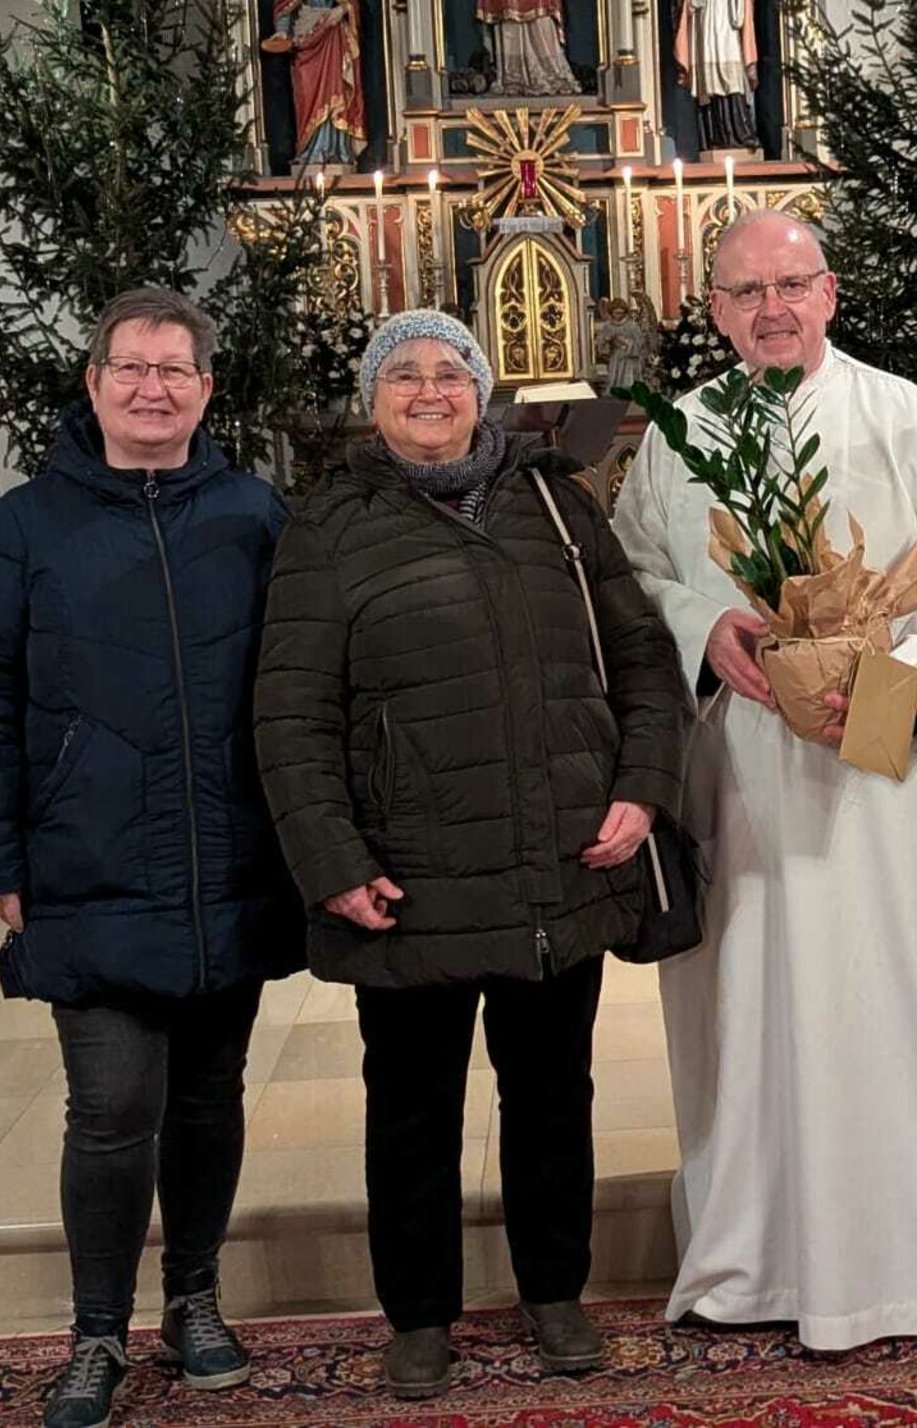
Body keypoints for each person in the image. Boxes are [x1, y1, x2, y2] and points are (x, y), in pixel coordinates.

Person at [612, 209, 917, 1351]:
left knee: (898, 998)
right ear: (715, 310)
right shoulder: (679, 432)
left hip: (884, 779)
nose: (770, 310)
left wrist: (876, 692)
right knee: (751, 1004)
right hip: (743, 773)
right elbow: (635, 576)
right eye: (744, 293)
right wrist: (709, 628)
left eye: (790, 285)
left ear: (829, 293)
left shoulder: (901, 414)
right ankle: (757, 1256)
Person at [253, 310, 689, 1399]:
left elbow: (637, 650)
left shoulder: (554, 499)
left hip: (560, 854)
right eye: (402, 373)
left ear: (483, 388)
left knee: (553, 1089)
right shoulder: (331, 524)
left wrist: (640, 788)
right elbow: (289, 710)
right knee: (411, 1103)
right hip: (410, 871)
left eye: (451, 370)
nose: (430, 389)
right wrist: (332, 859)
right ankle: (419, 1314)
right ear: (372, 397)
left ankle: (554, 1291)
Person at [0, 287, 303, 1428]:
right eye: (129, 367)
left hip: (225, 856)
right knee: (110, 1105)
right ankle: (95, 1326)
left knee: (206, 1096)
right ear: (93, 381)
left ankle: (193, 1299)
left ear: (206, 388)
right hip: (84, 856)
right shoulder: (26, 524)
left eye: (174, 369)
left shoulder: (253, 512)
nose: (151, 386)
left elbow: (296, 687)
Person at [263, 0, 366, 171]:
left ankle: (337, 151)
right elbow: (284, 9)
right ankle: (310, 151)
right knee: (307, 95)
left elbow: (351, 4)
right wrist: (282, 33)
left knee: (336, 91)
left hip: (333, 40)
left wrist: (340, 10)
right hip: (304, 46)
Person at [672, 0, 758, 153]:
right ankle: (714, 137)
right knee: (708, 84)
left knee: (732, 80)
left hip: (728, 27)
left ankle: (740, 134)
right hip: (704, 27)